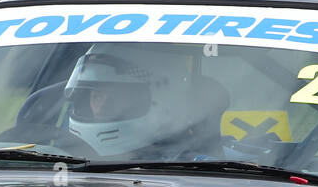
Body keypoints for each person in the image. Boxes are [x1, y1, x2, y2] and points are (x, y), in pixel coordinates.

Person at [64, 45, 228, 160]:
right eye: (97, 96)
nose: (101, 108)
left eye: (116, 96)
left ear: (163, 99)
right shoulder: (59, 157)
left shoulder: (194, 168)